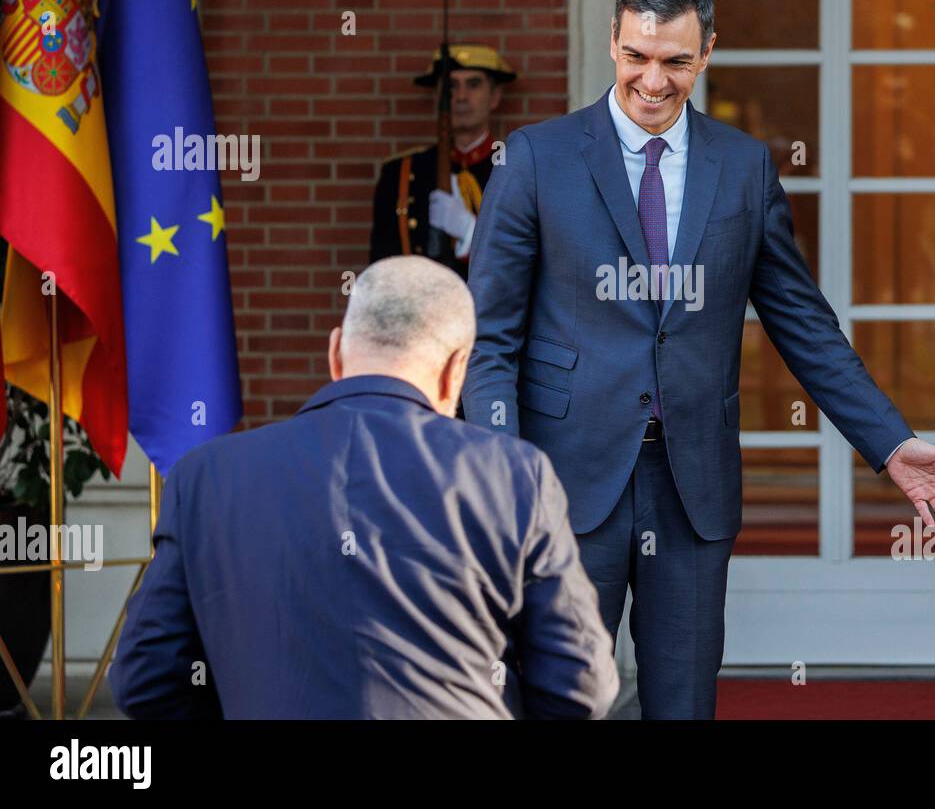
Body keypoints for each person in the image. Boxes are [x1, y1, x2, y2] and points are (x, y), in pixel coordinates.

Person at [463, 0, 935, 719]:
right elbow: (489, 340)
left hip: (692, 488)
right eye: (636, 56)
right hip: (560, 482)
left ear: (706, 52)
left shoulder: (743, 166)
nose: (652, 81)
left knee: (683, 705)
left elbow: (803, 324)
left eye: (675, 61)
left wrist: (890, 442)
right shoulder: (537, 159)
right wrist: (497, 471)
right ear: (612, 41)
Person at [110, 257, 618, 719]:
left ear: (336, 352)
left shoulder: (205, 476)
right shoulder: (514, 475)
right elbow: (581, 684)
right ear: (456, 371)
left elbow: (144, 678)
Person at [368, 44, 516, 275]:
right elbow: (383, 267)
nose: (461, 97)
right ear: (438, 96)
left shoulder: (517, 168)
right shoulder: (402, 171)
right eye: (451, 86)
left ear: (495, 96)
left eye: (473, 85)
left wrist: (470, 231)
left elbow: (529, 259)